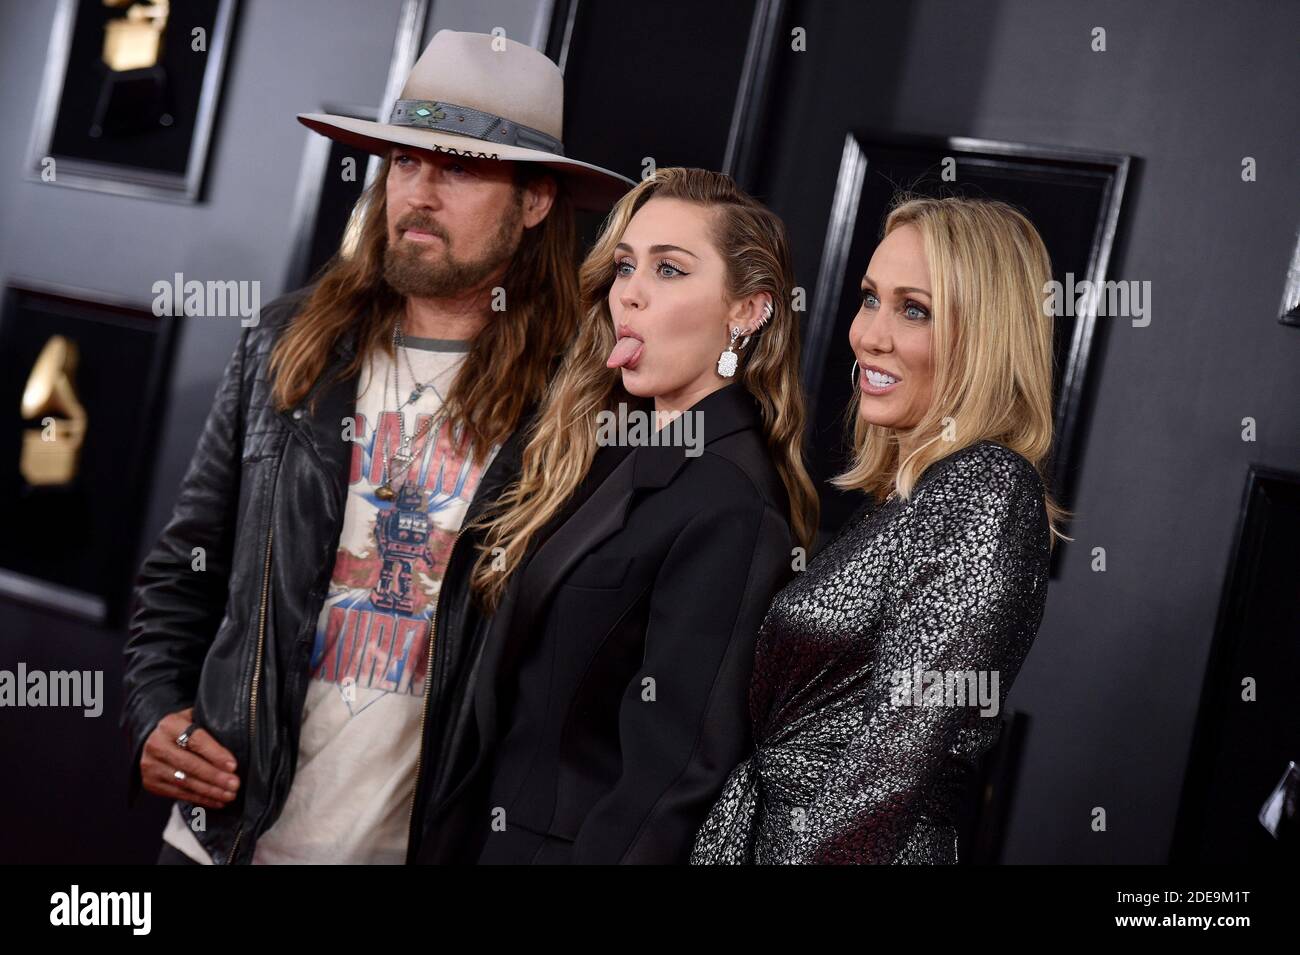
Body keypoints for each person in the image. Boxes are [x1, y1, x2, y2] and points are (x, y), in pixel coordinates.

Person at [121, 30, 633, 865]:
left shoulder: (577, 398)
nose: (417, 192)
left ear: (536, 201)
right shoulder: (288, 343)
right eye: (404, 162)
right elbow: (185, 565)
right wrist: (153, 713)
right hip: (225, 841)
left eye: (459, 168)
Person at [414, 168, 820, 864]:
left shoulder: (731, 504)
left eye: (669, 270)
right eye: (626, 265)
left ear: (747, 311)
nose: (628, 291)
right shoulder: (616, 451)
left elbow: (671, 783)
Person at [690, 195, 1065, 864]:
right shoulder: (909, 496)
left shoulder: (987, 487)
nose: (870, 334)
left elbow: (885, 774)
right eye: (870, 299)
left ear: (984, 334)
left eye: (913, 309)